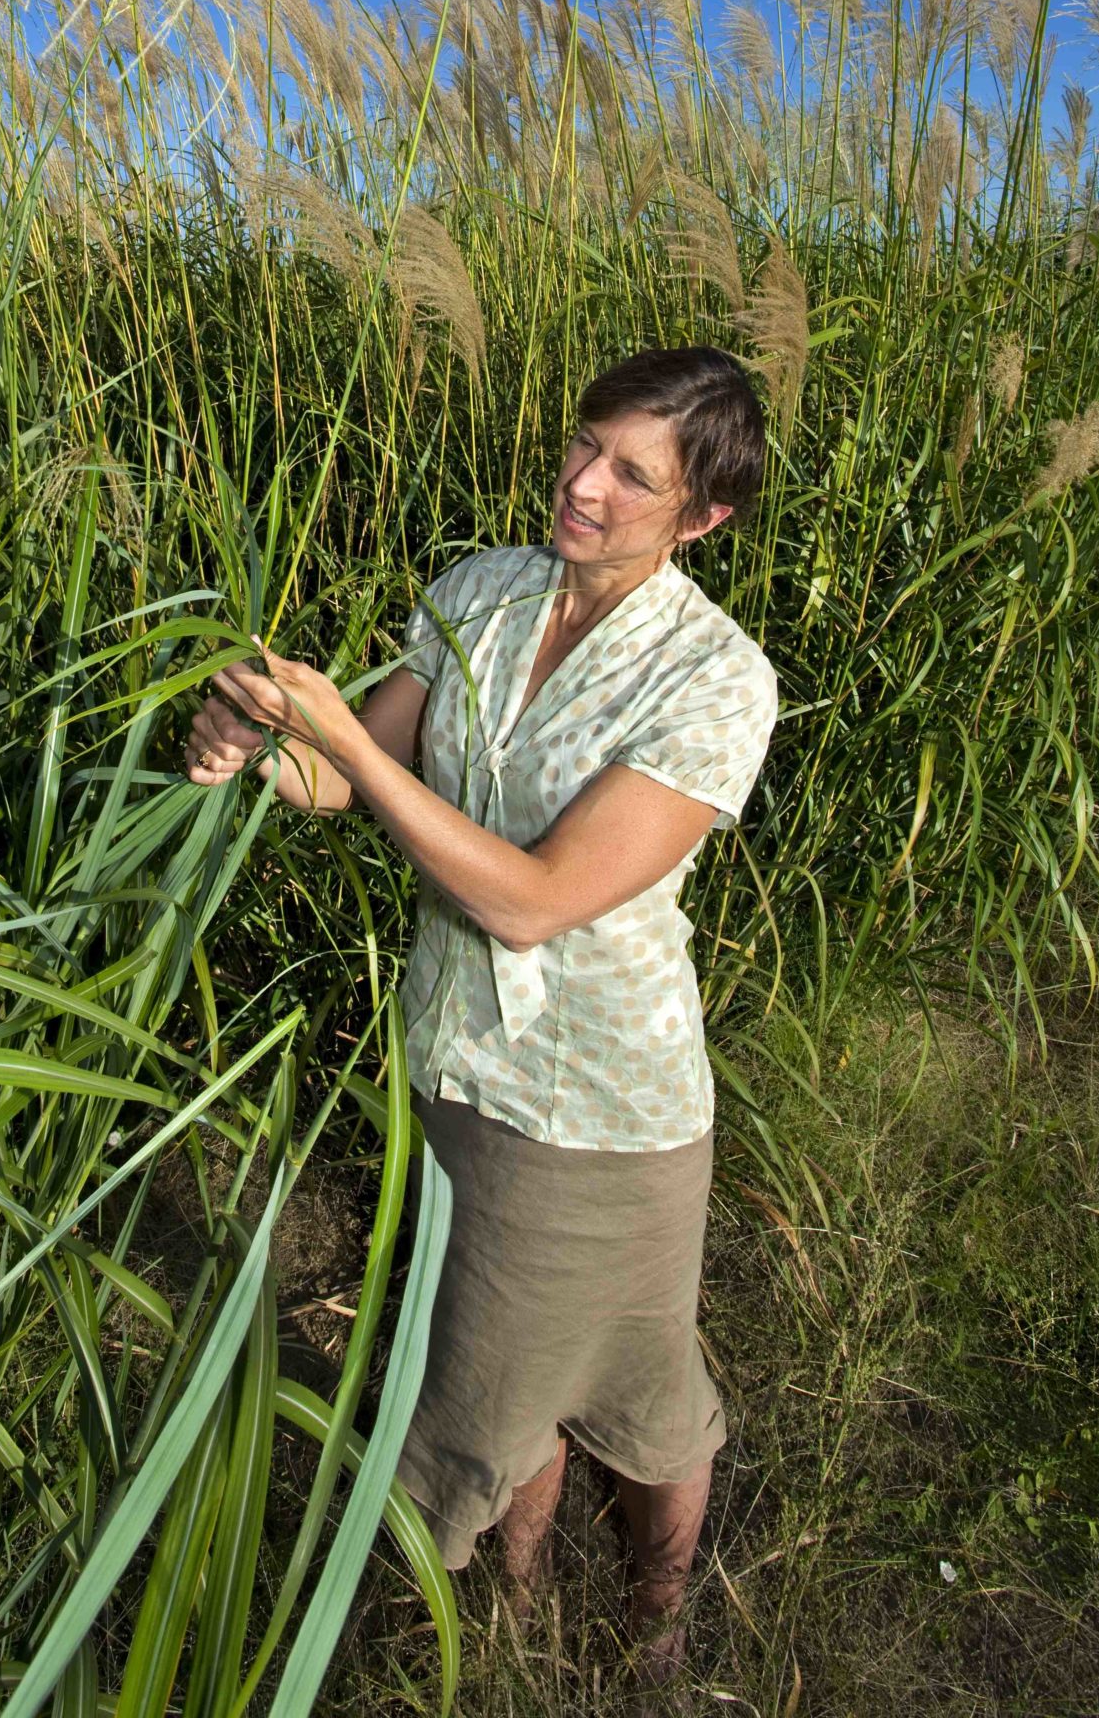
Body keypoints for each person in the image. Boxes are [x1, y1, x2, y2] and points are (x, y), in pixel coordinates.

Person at [181, 346, 778, 1692]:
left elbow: (537, 902)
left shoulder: (715, 679)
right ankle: (516, 1610)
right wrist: (263, 743)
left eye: (633, 475)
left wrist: (339, 737)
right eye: (583, 445)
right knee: (515, 1372)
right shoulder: (484, 593)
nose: (581, 483)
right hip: (454, 1061)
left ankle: (659, 1630)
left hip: (598, 1105)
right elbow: (352, 782)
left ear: (704, 519)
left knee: (634, 1395)